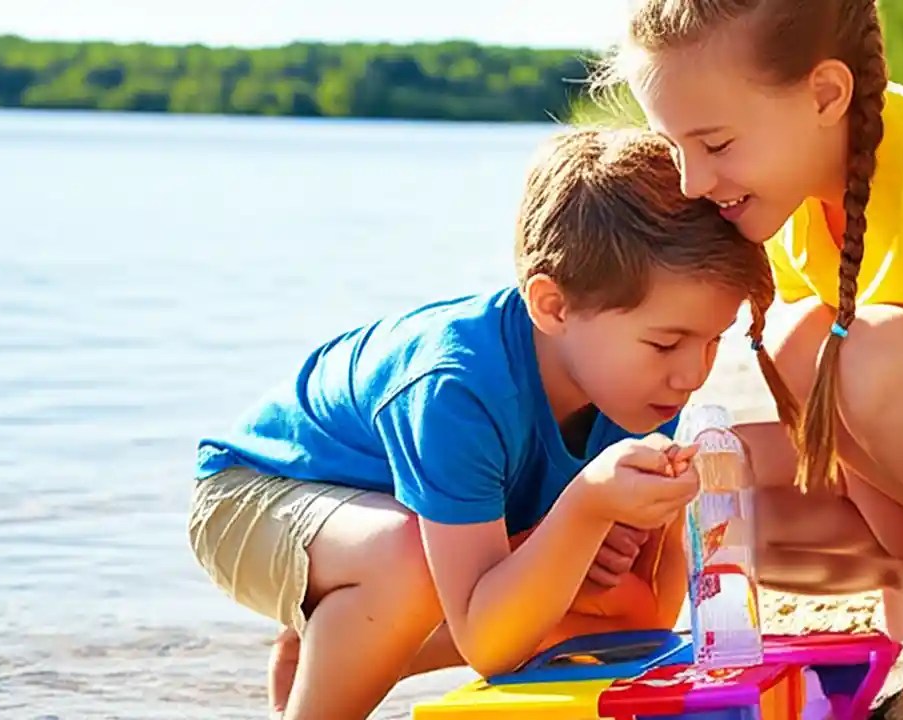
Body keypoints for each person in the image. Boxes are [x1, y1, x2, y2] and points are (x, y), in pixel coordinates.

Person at [187, 126, 782, 719]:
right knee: (408, 560)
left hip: (400, 526)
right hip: (250, 497)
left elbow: (649, 619)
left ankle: (334, 640)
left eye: (711, 343)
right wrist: (587, 509)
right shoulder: (456, 386)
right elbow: (489, 646)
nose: (691, 375)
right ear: (553, 306)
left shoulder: (637, 382)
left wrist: (667, 514)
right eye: (667, 343)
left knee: (613, 599)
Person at [605, 0, 903, 704]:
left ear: (826, 95)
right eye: (675, 148)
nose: (692, 182)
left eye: (715, 145)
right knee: (746, 485)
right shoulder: (798, 214)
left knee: (865, 362)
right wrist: (686, 474)